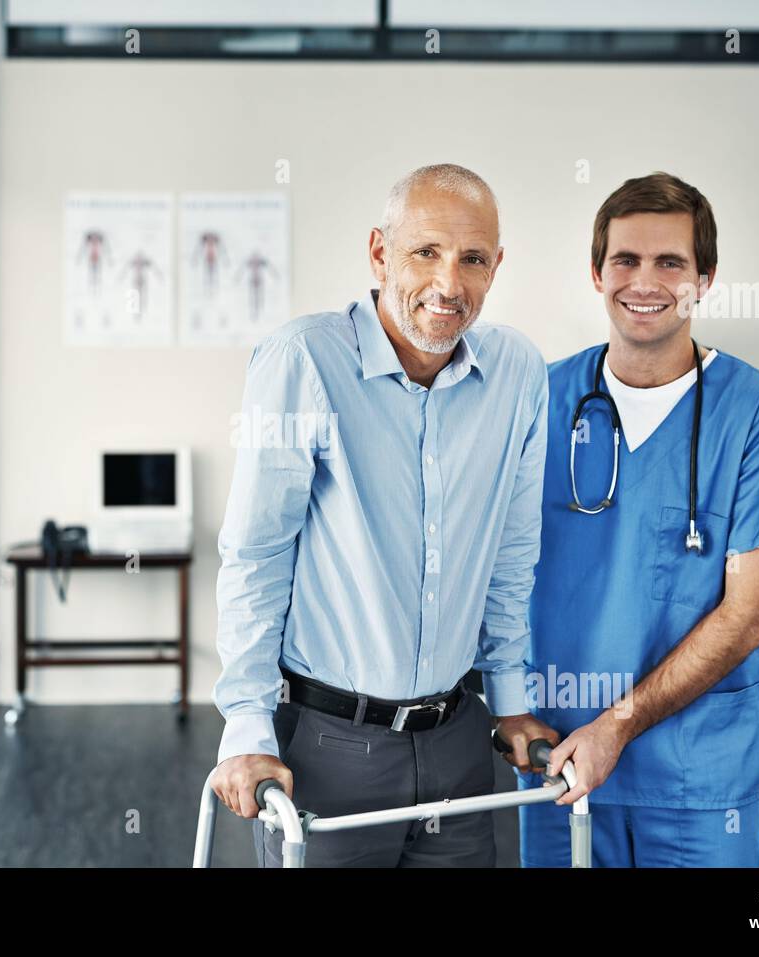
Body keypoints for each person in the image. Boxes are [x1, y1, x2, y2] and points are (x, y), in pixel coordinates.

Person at [210, 163, 558, 867]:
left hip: (459, 742)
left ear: (497, 266)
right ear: (379, 253)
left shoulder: (519, 371)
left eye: (472, 259)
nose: (449, 284)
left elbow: (512, 553)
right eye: (425, 251)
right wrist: (247, 729)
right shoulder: (302, 360)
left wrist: (512, 698)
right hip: (330, 748)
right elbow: (257, 553)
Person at [519, 172, 759, 867]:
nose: (645, 280)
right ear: (596, 272)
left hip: (698, 774)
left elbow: (751, 612)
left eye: (671, 262)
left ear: (705, 279)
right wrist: (507, 701)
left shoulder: (756, 411)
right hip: (559, 761)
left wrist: (619, 724)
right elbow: (494, 565)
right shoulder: (540, 398)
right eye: (625, 259)